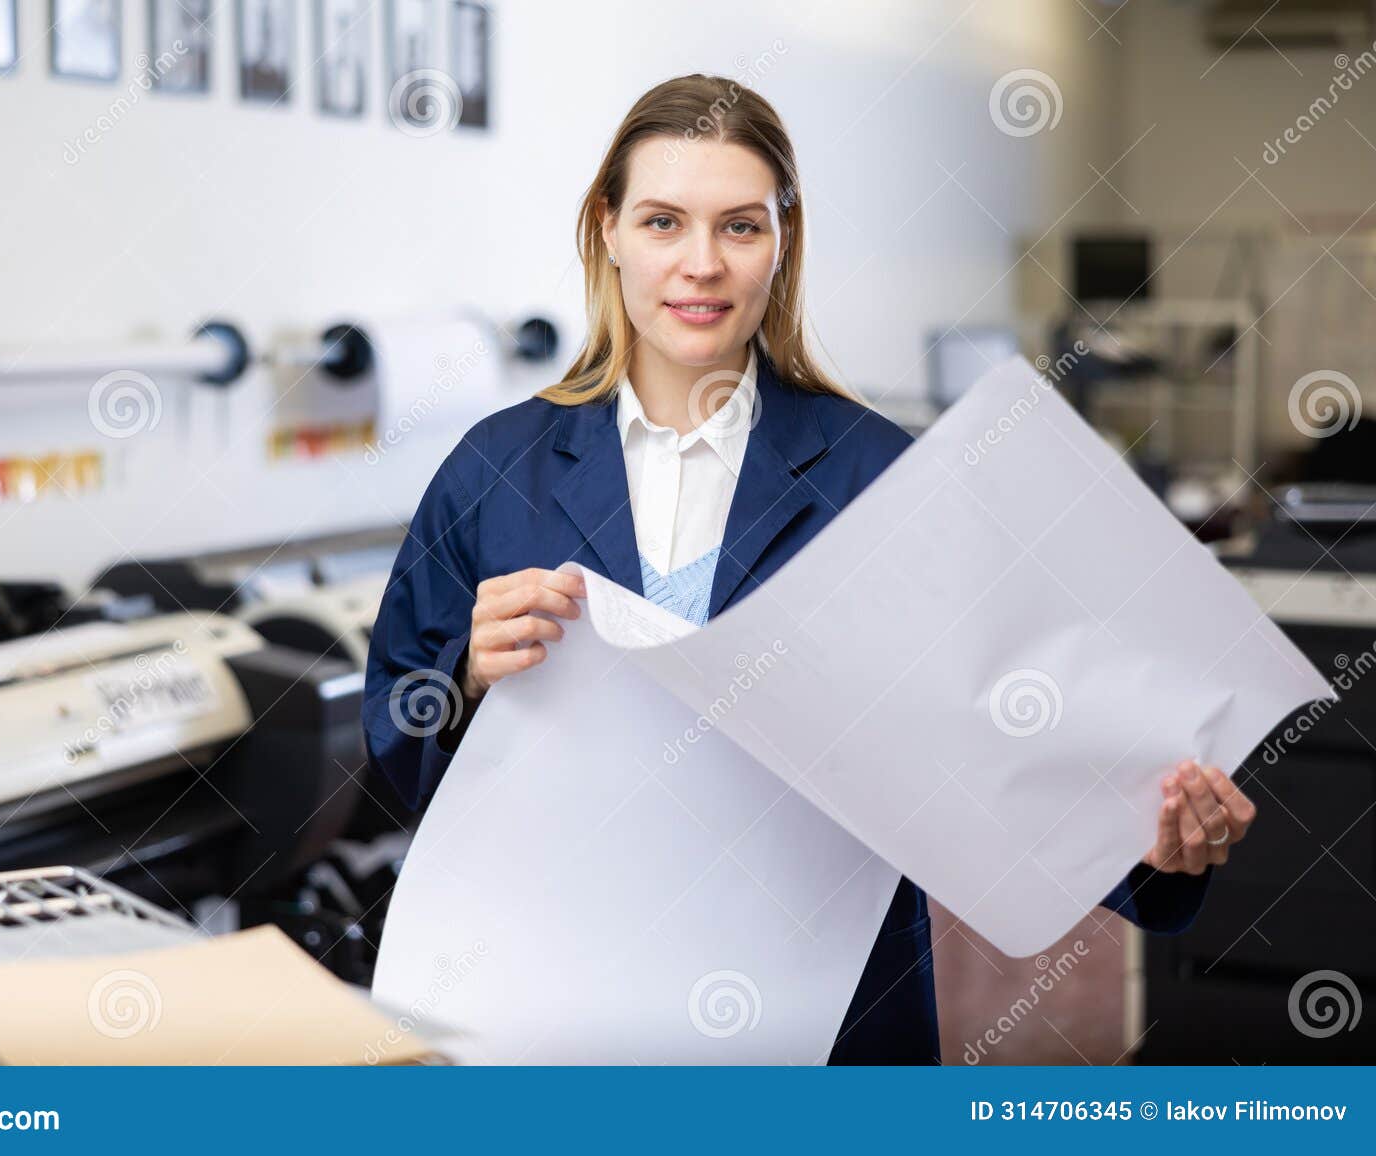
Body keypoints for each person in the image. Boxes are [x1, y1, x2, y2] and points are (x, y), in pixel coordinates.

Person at [361, 73, 1257, 1063]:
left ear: (781, 242)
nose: (700, 264)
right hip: (558, 1003)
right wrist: (469, 679)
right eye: (663, 221)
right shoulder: (494, 470)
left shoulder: (881, 475)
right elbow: (396, 746)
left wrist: (1153, 845)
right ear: (607, 230)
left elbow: (1006, 731)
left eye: (739, 227)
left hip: (824, 1018)